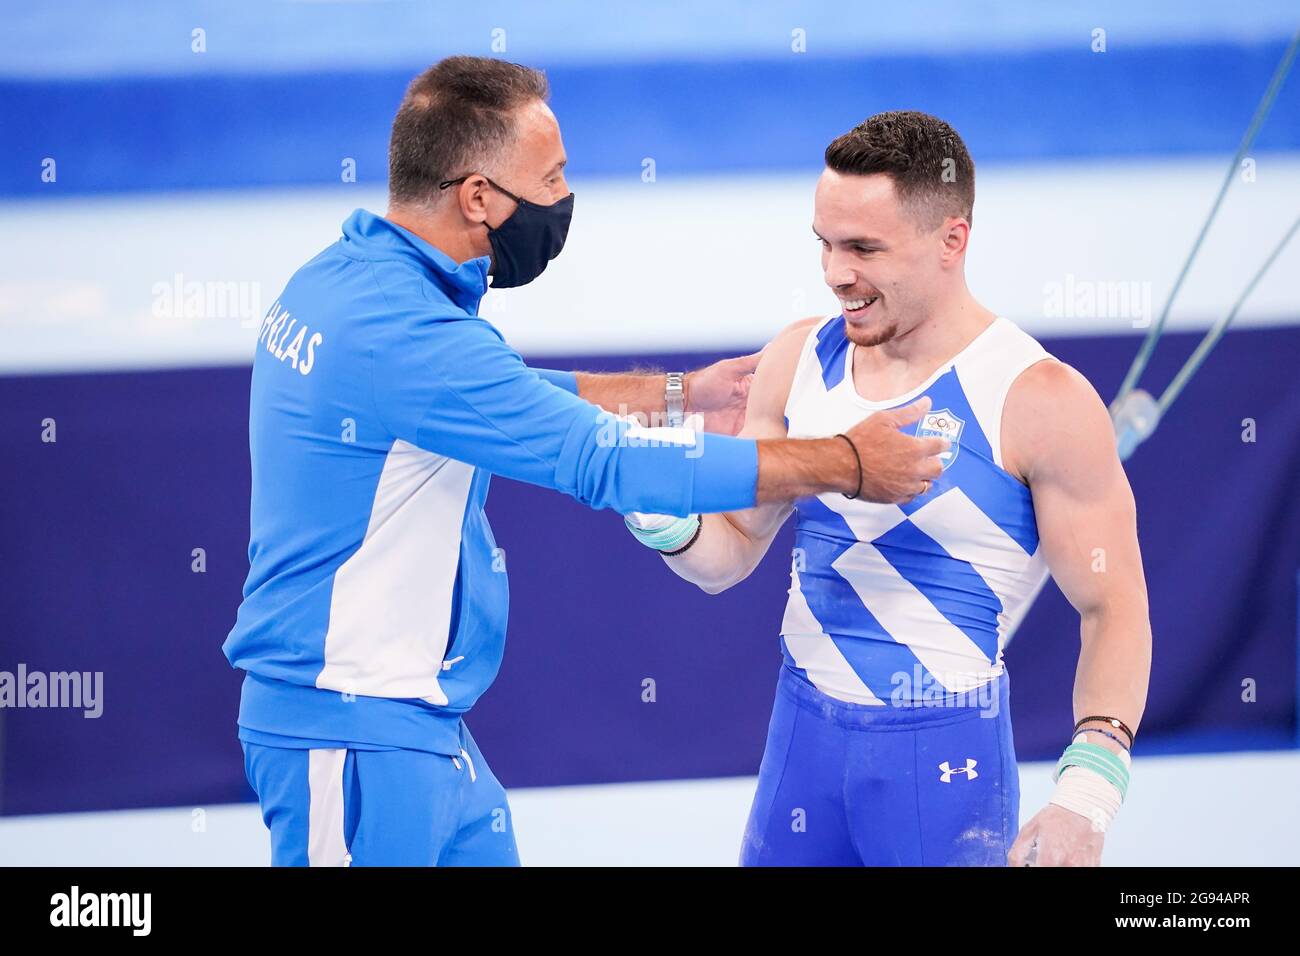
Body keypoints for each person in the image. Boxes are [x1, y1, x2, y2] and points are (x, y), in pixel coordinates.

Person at [223, 59, 947, 866]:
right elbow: (604, 463)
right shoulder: (403, 332)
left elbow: (495, 393)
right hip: (348, 736)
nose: (564, 198)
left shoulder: (343, 281)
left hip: (419, 734)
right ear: (478, 197)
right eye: (553, 178)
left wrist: (678, 393)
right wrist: (844, 461)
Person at [625, 111, 1152, 866]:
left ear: (952, 241)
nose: (837, 273)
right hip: (800, 741)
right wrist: (659, 512)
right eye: (826, 244)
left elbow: (1116, 607)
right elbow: (731, 553)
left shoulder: (1039, 401)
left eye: (865, 248)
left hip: (943, 761)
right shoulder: (798, 358)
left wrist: (1088, 794)